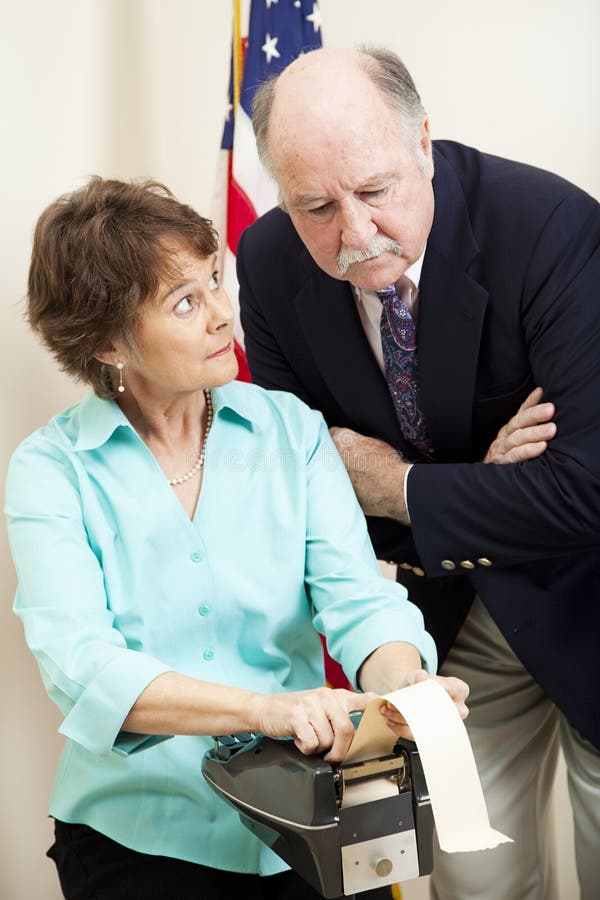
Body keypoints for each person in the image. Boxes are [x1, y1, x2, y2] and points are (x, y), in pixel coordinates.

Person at [5, 176, 469, 900]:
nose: (224, 315)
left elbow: (357, 602)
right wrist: (267, 711)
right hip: (139, 839)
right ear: (105, 341)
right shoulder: (50, 471)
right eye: (185, 302)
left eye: (215, 280)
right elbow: (84, 669)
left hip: (312, 825)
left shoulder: (289, 428)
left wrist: (401, 684)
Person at [236, 46, 600, 900]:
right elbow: (315, 490)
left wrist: (396, 483)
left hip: (591, 593)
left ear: (425, 145)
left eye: (374, 192)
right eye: (316, 206)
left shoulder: (550, 229)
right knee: (473, 877)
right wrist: (485, 478)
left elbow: (587, 490)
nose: (354, 236)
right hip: (451, 617)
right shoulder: (268, 259)